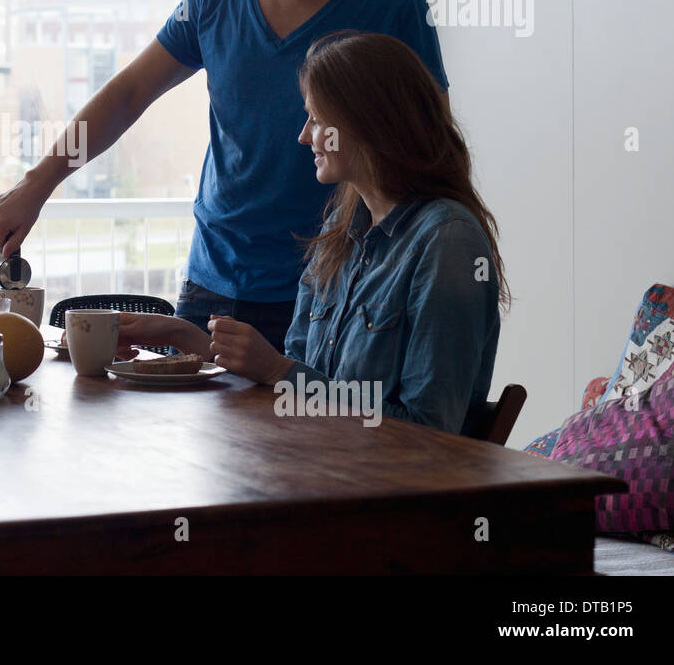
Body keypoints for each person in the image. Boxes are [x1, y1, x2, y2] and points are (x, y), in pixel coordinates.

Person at [0, 0, 449, 351]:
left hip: (332, 295)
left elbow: (430, 156)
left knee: (309, 433)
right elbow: (129, 93)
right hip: (209, 288)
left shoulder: (395, 11)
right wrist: (39, 181)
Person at [116, 32, 507, 435]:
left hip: (384, 492)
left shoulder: (448, 243)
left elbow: (431, 431)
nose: (305, 135)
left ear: (368, 122)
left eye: (317, 119)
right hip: (313, 471)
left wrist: (280, 372)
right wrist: (180, 335)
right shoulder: (342, 231)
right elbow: (296, 382)